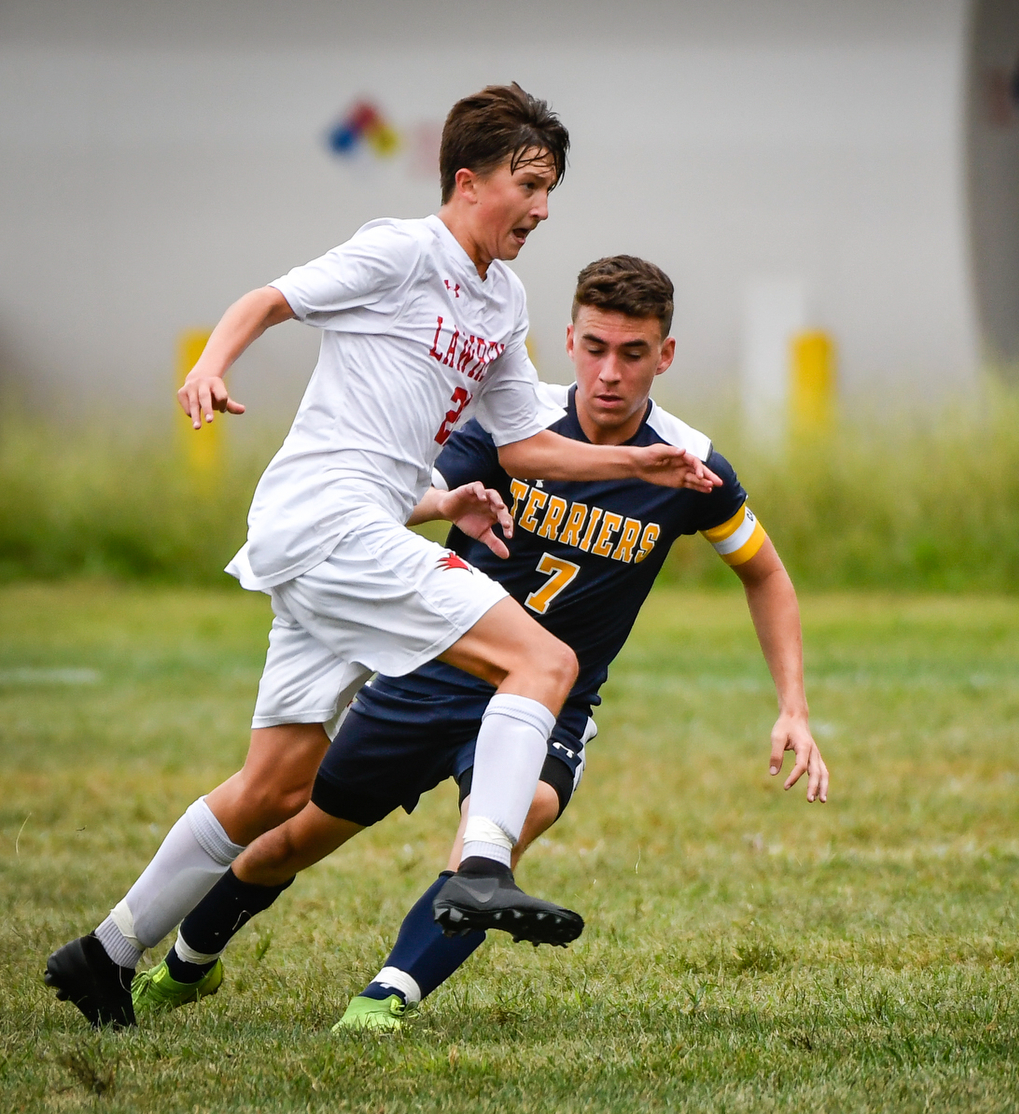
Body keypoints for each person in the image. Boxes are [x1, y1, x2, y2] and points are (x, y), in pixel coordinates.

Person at [45, 88, 721, 1031]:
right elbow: (271, 299)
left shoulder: (505, 297)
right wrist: (212, 361)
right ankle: (484, 865)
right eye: (528, 185)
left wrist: (630, 460)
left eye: (551, 189)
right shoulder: (404, 250)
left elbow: (524, 443)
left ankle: (104, 954)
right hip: (329, 522)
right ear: (467, 179)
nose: (542, 208)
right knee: (546, 662)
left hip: (354, 529)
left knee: (276, 785)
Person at [126, 255, 829, 1033]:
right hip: (434, 674)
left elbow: (765, 574)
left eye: (633, 354)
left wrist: (793, 707)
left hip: (551, 702)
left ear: (665, 356)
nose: (610, 372)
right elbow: (410, 495)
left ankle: (385, 998)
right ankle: (188, 963)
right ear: (568, 340)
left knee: (504, 829)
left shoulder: (687, 467)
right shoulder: (513, 427)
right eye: (595, 347)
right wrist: (439, 505)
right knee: (296, 834)